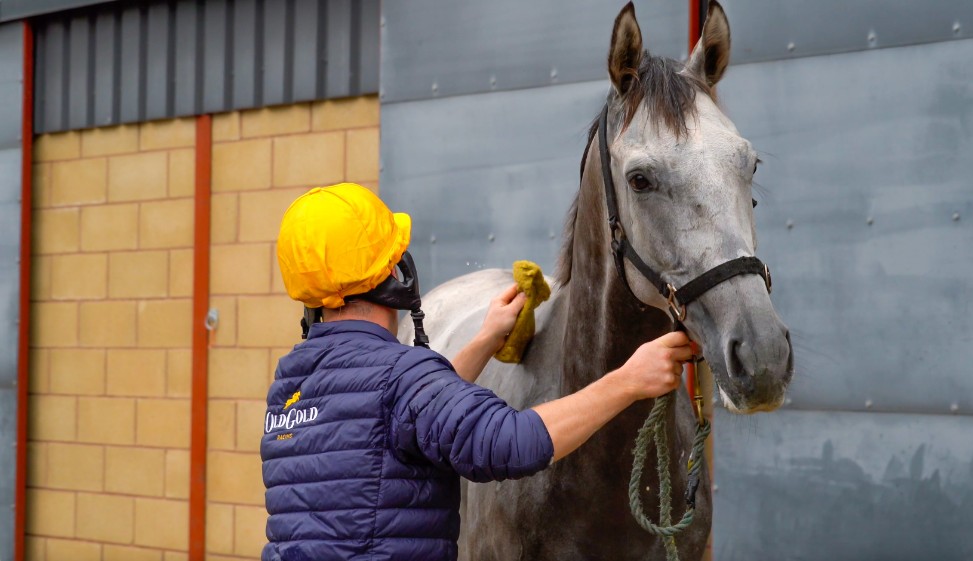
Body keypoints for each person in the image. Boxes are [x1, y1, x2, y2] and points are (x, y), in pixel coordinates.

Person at [262, 183, 693, 561]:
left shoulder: (290, 383)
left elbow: (405, 418)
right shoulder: (398, 378)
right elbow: (511, 442)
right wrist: (628, 379)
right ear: (395, 275)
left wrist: (487, 339)